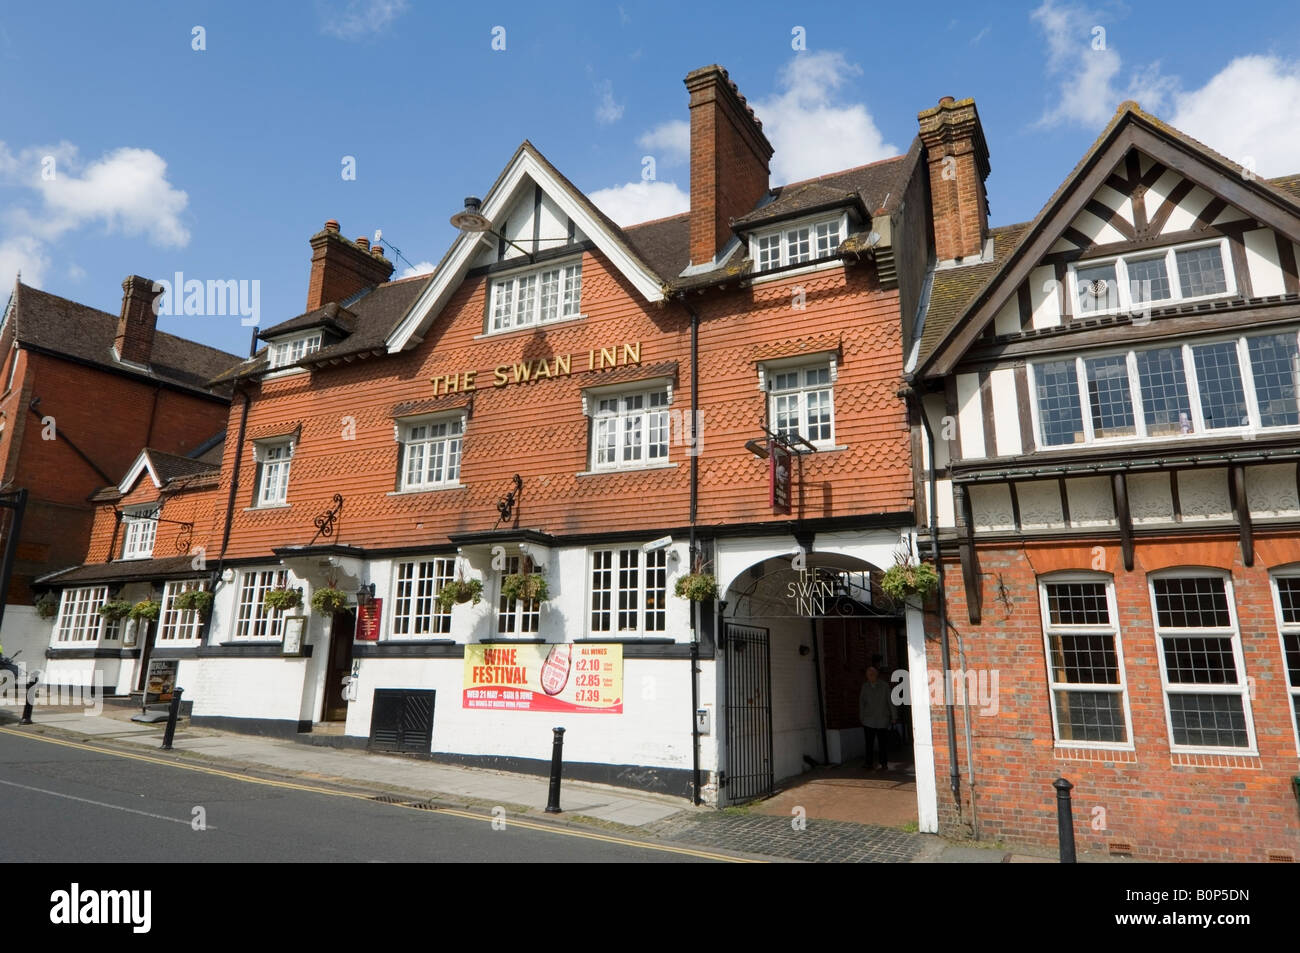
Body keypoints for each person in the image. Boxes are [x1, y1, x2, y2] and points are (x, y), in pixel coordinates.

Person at [859, 664, 897, 770]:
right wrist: (862, 716)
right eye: (869, 674)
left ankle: (883, 763)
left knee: (882, 744)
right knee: (869, 743)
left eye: (872, 674)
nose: (871, 676)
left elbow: (890, 701)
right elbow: (861, 703)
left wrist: (894, 716)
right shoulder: (865, 687)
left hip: (882, 719)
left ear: (877, 674)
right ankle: (868, 763)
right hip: (868, 719)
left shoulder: (884, 686)